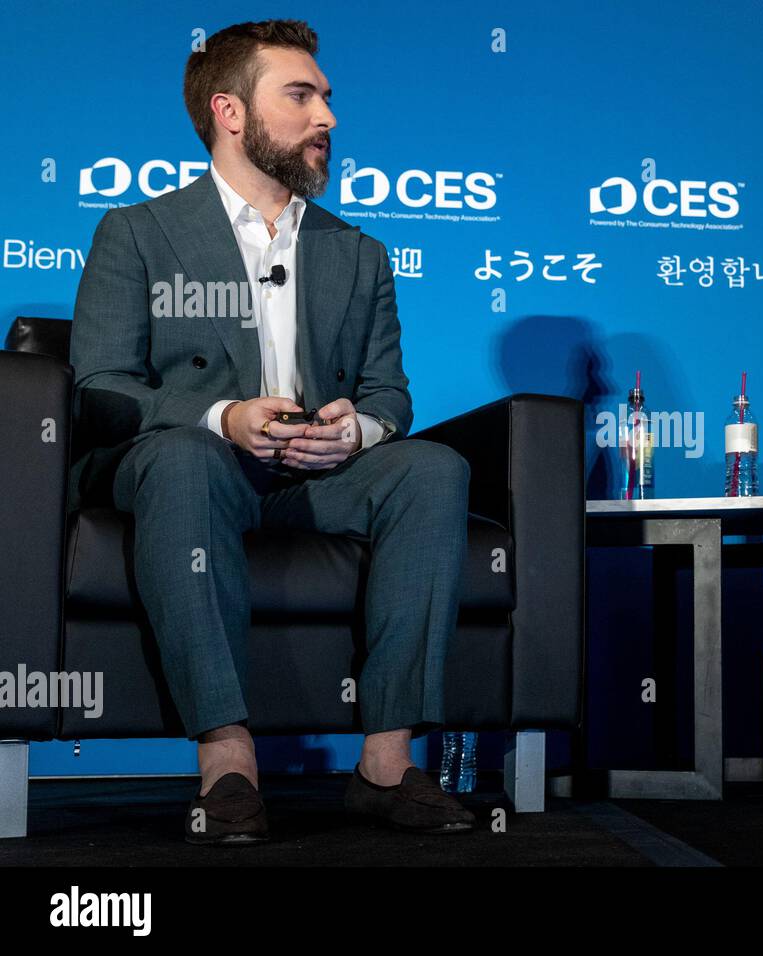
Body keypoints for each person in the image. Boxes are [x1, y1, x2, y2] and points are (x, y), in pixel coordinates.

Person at [69, 19, 476, 842]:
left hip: (313, 479)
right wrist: (226, 416)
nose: (327, 116)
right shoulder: (138, 233)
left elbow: (388, 393)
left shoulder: (358, 252)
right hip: (198, 467)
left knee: (431, 469)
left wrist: (354, 432)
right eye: (301, 95)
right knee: (185, 456)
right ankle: (227, 760)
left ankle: (386, 764)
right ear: (229, 111)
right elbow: (100, 387)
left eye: (326, 96)